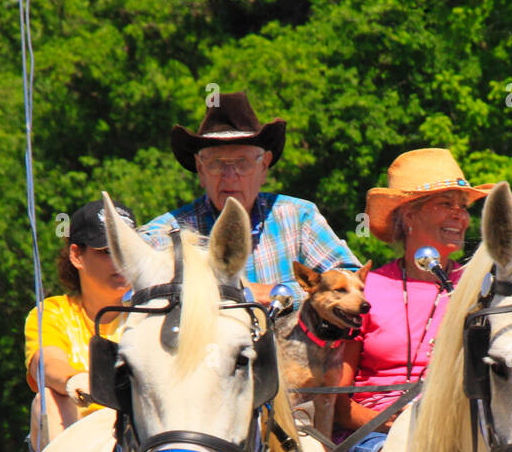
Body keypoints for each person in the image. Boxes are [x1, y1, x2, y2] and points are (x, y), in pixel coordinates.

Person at [332, 150, 492, 452]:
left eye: (463, 207)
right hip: (373, 436)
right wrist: (393, 423)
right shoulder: (367, 287)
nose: (460, 215)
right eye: (445, 204)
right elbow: (338, 399)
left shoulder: (478, 289)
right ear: (407, 217)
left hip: (456, 429)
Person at [141, 91, 361, 303]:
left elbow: (355, 281)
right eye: (216, 163)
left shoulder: (298, 218)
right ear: (200, 170)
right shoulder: (171, 232)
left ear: (264, 167)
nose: (229, 176)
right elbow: (119, 273)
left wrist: (277, 294)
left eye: (242, 163)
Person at [24, 198, 138, 451]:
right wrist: (73, 379)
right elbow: (46, 363)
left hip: (136, 442)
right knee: (49, 399)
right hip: (78, 443)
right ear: (77, 255)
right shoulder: (53, 312)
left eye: (127, 250)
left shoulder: (148, 315)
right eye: (108, 251)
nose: (121, 261)